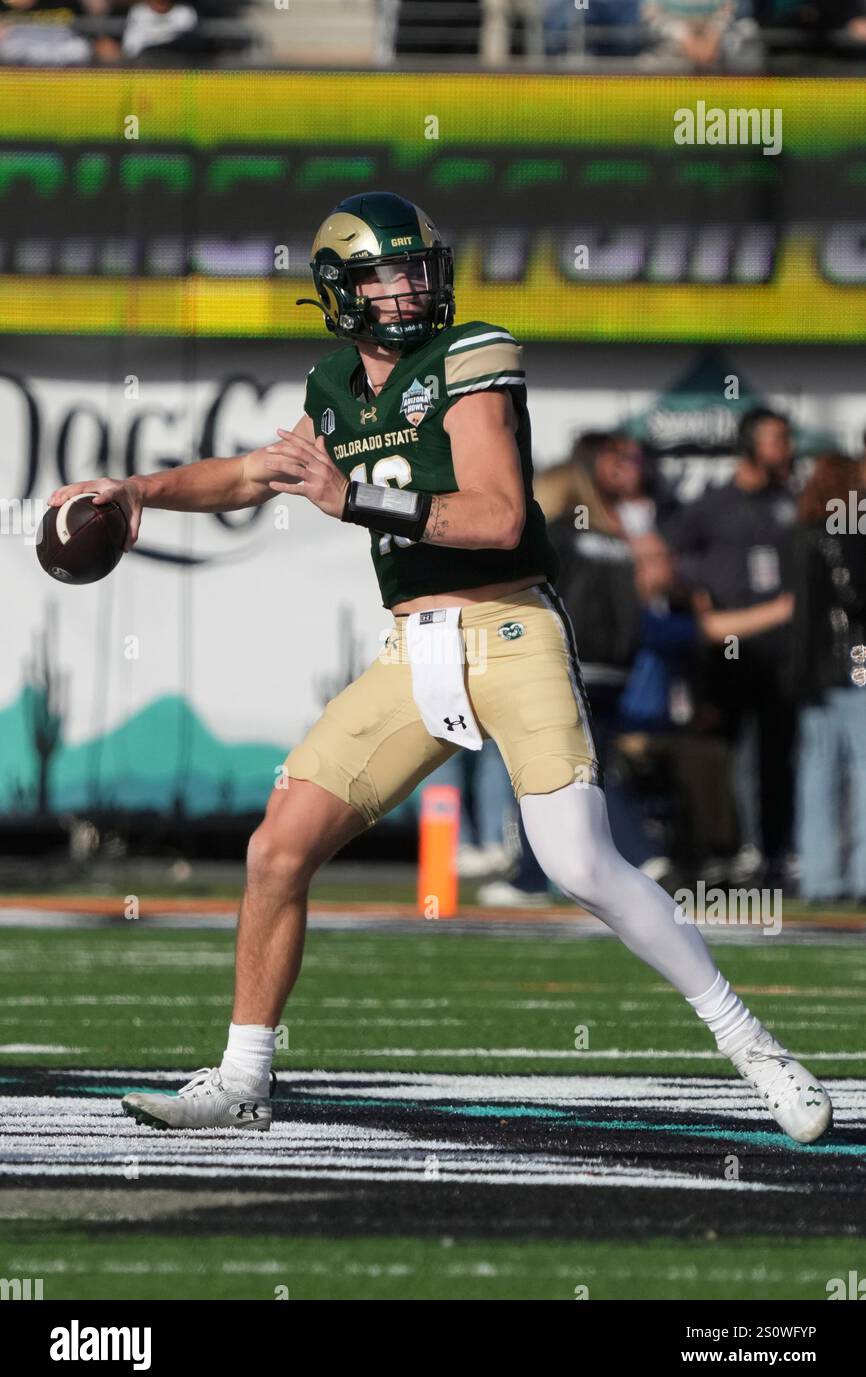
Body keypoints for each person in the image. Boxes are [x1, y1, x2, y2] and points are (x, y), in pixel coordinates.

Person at [49, 191, 831, 1144]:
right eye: (389, 272)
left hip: (509, 631)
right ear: (341, 290)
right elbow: (258, 473)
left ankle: (756, 1050)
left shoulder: (471, 356)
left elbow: (499, 516)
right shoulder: (335, 383)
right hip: (411, 649)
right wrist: (140, 490)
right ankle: (245, 1075)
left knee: (581, 861)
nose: (414, 285)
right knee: (275, 849)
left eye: (421, 266)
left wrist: (357, 495)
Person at [663, 407, 799, 889]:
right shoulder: (713, 504)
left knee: (778, 756)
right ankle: (731, 849)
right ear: (749, 445)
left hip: (783, 653)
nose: (787, 450)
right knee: (727, 753)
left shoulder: (789, 502)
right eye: (776, 440)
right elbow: (669, 557)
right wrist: (699, 599)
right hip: (730, 650)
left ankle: (776, 851)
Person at [787, 453, 866, 903]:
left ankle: (821, 876)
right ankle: (858, 877)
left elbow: (802, 618)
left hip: (817, 673)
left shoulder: (805, 535)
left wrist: (798, 675)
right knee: (860, 770)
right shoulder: (850, 533)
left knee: (817, 772)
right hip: (856, 663)